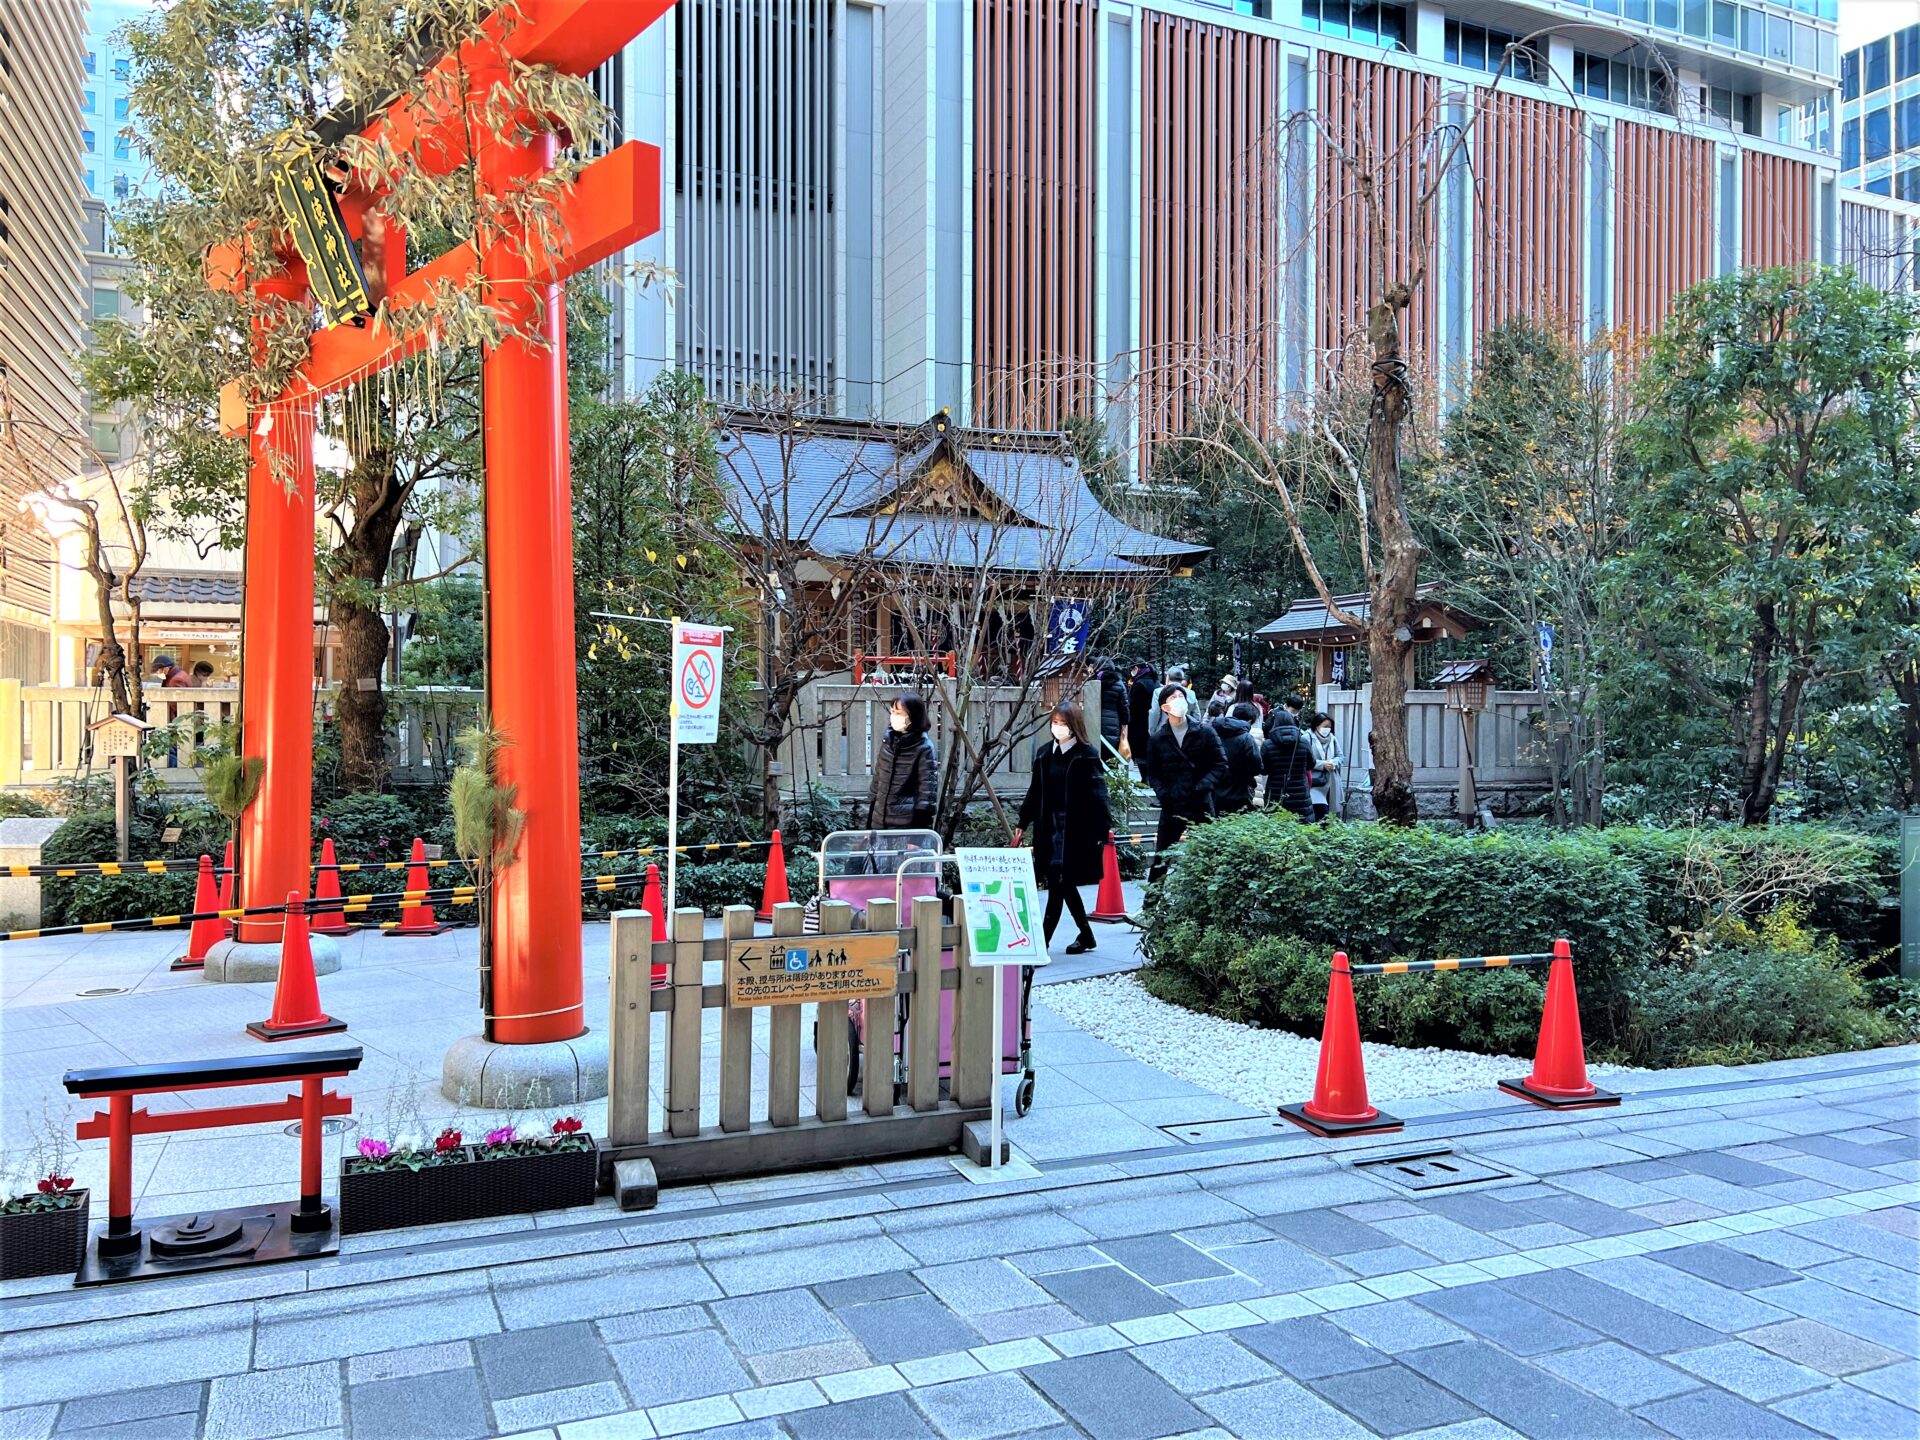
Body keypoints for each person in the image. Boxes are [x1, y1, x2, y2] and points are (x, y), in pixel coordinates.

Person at [1013, 701, 1112, 954]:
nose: (1058, 728)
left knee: (1059, 883)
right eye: (1055, 723)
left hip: (1076, 830)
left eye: (1063, 723)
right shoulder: (1045, 754)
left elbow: (1099, 796)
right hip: (1050, 827)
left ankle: (1042, 942)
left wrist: (1101, 832)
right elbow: (1035, 792)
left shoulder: (1086, 756)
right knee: (1062, 882)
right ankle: (1086, 935)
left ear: (1074, 726)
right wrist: (1023, 822)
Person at [1145, 683, 1225, 862]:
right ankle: (1155, 890)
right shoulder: (1158, 739)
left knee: (1209, 856)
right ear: (1164, 706)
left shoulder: (1205, 732)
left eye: (1181, 696)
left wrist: (1203, 786)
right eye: (1173, 697)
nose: (1178, 700)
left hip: (1200, 802)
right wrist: (1164, 794)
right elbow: (1153, 773)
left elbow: (1220, 764)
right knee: (1161, 859)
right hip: (1172, 804)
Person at [868, 692, 938, 830]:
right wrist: (869, 825)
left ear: (913, 715)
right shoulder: (888, 742)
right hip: (879, 823)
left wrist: (917, 837)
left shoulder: (924, 748)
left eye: (899, 713)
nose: (894, 716)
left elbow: (926, 794)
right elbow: (877, 785)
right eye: (893, 712)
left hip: (907, 826)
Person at [1262, 698, 1315, 819]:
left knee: (1276, 826)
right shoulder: (1303, 742)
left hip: (1275, 792)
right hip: (1301, 794)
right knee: (1302, 826)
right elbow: (1311, 764)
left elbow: (1263, 769)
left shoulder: (1268, 745)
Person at [1213, 701, 1263, 815]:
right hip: (1240, 792)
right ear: (1250, 721)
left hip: (1215, 791)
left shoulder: (1213, 732)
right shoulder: (1246, 738)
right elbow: (1256, 767)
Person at [1308, 712, 1343, 823]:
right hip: (1314, 781)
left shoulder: (1332, 739)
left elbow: (1341, 756)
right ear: (1316, 726)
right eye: (1325, 726)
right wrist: (1322, 764)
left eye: (1329, 727)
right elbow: (1305, 760)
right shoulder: (1307, 737)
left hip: (1331, 779)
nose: (1327, 729)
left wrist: (1334, 762)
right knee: (1320, 811)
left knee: (1331, 812)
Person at [1095, 657, 1128, 760]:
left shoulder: (1093, 682)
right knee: (1111, 759)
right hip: (1113, 725)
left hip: (1094, 722)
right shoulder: (1119, 684)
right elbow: (1124, 708)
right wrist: (1125, 724)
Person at [1126, 661, 1156, 762]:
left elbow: (1133, 706)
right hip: (1152, 721)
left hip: (1139, 723)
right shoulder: (1155, 681)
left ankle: (1144, 776)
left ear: (1137, 668)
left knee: (1140, 755)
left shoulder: (1139, 683)